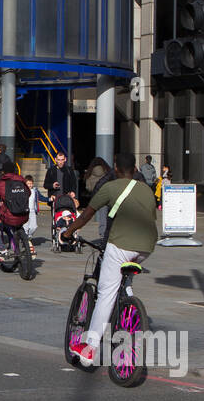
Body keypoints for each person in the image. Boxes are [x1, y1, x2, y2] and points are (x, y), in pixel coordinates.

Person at [60, 153, 159, 367]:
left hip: (120, 245)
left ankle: (90, 347)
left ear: (115, 168)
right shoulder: (146, 189)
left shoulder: (110, 187)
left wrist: (67, 233)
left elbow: (86, 215)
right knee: (126, 280)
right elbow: (151, 216)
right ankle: (129, 304)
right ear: (134, 170)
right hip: (147, 247)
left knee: (106, 293)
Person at [0, 161, 33, 255]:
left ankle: (2, 248)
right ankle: (24, 245)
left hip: (9, 216)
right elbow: (28, 193)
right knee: (16, 225)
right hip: (24, 215)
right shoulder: (22, 180)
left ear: (3, 172)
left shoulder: (2, 183)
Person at [82, 157, 113, 241]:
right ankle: (109, 233)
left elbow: (88, 187)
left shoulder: (90, 174)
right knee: (110, 216)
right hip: (109, 197)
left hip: (97, 198)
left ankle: (102, 234)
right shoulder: (107, 172)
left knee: (102, 217)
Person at [23, 174, 40, 245]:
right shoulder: (23, 191)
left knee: (34, 226)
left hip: (32, 211)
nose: (29, 185)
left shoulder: (34, 191)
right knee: (25, 227)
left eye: (31, 184)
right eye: (28, 184)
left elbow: (41, 197)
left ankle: (29, 236)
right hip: (25, 211)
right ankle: (25, 240)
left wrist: (49, 199)